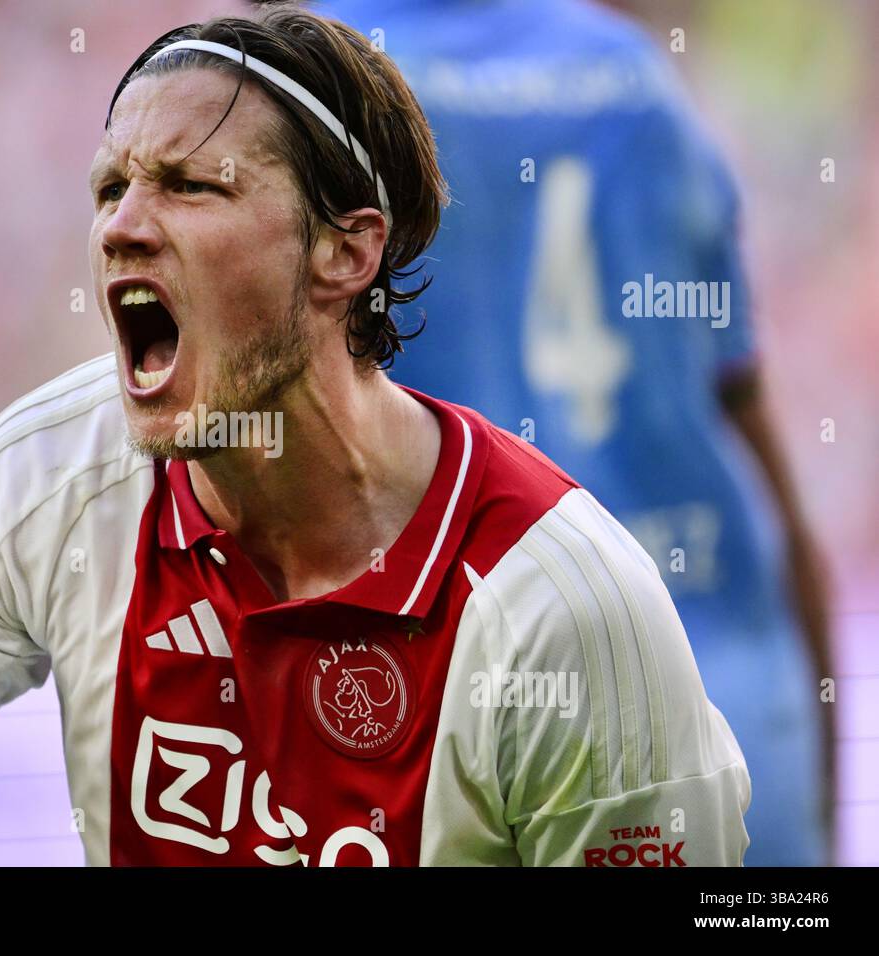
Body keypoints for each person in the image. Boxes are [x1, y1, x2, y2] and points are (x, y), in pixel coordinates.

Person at [0, 5, 750, 866]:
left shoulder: (563, 609)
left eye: (189, 185)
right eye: (110, 187)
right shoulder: (45, 484)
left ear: (346, 252)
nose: (122, 225)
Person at [320, 0, 832, 865]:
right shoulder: (637, 71)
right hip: (734, 706)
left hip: (469, 736)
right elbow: (747, 426)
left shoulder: (313, 78)